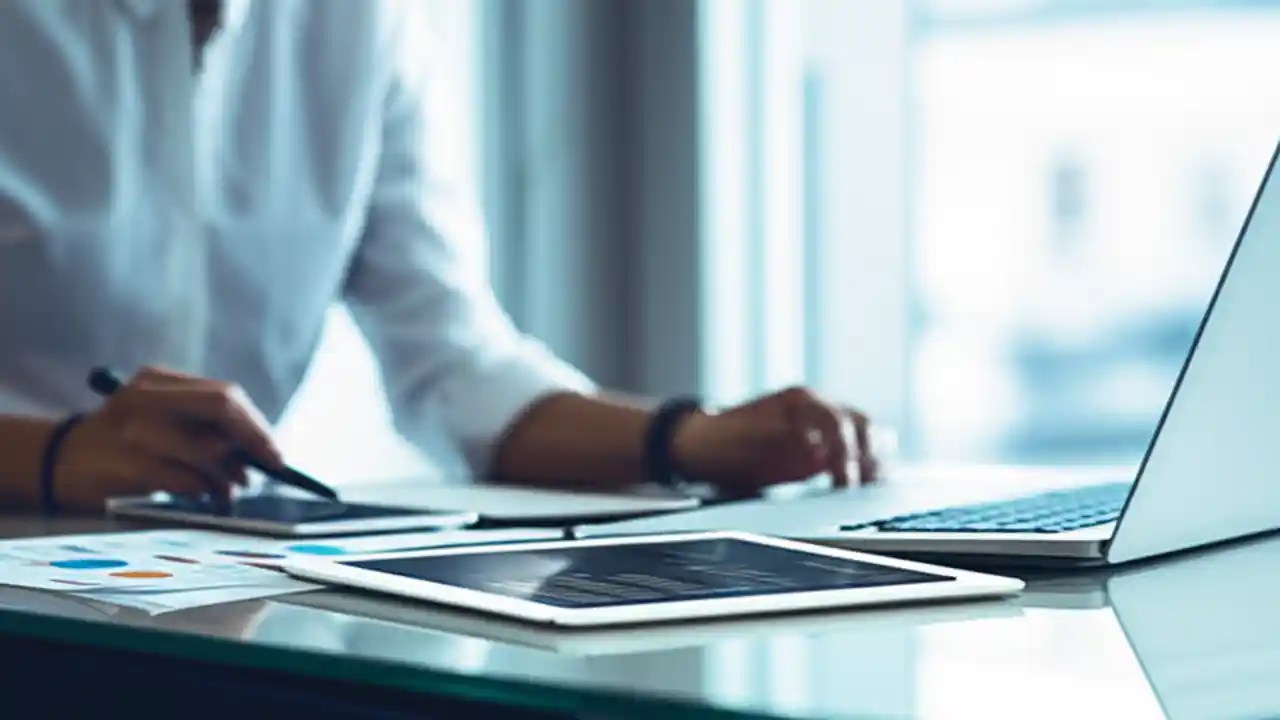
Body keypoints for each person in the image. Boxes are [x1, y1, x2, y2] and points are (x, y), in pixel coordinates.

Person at [0, 0, 876, 514]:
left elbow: (455, 366)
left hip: (202, 595)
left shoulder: (360, 25)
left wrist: (690, 438)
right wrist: (54, 455)